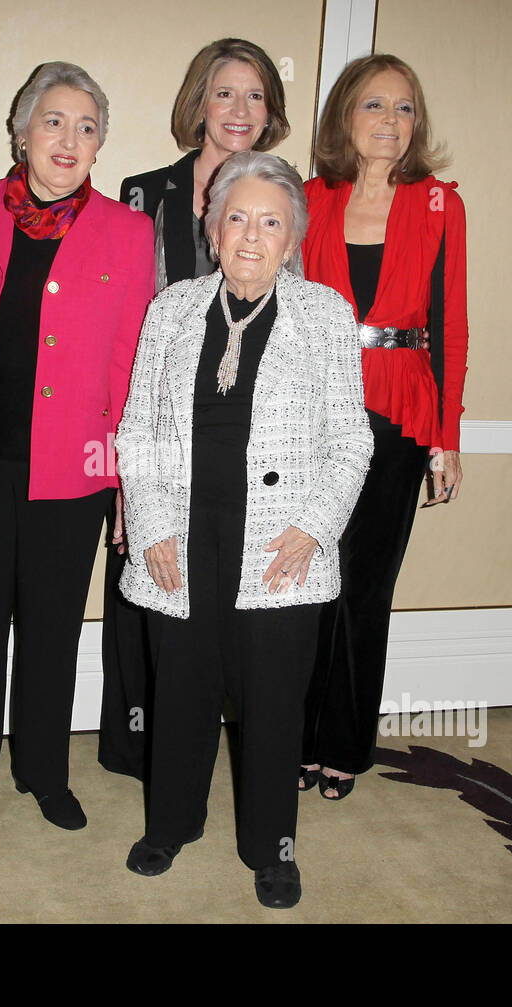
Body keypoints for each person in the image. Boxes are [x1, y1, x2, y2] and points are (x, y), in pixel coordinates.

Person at [116, 151, 373, 908]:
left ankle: (273, 848)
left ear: (293, 236)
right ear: (212, 225)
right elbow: (136, 428)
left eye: (271, 222)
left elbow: (352, 441)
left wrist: (316, 527)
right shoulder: (171, 308)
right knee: (182, 691)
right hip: (184, 535)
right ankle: (170, 823)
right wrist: (154, 522)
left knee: (271, 703)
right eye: (237, 218)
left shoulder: (326, 315)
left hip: (279, 544)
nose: (252, 237)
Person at [0, 62, 154, 832]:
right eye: (54, 121)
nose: (69, 140)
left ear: (99, 147)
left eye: (87, 127)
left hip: (76, 471)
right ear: (21, 130)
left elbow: (132, 363)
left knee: (54, 627)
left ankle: (43, 772)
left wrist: (131, 482)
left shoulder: (130, 234)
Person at [99, 38, 291, 782]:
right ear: (198, 104)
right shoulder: (145, 192)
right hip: (157, 420)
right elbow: (125, 321)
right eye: (224, 93)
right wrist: (126, 478)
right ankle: (140, 749)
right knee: (146, 579)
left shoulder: (282, 191)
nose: (239, 110)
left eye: (255, 96)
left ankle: (230, 750)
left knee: (240, 599)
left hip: (247, 430)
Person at [298, 54, 468, 800]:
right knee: (302, 579)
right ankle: (294, 735)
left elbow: (450, 325)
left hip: (399, 409)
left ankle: (344, 746)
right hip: (313, 408)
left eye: (404, 109)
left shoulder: (439, 204)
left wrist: (448, 435)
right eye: (375, 106)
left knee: (365, 587)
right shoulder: (309, 197)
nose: (390, 123)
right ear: (346, 116)